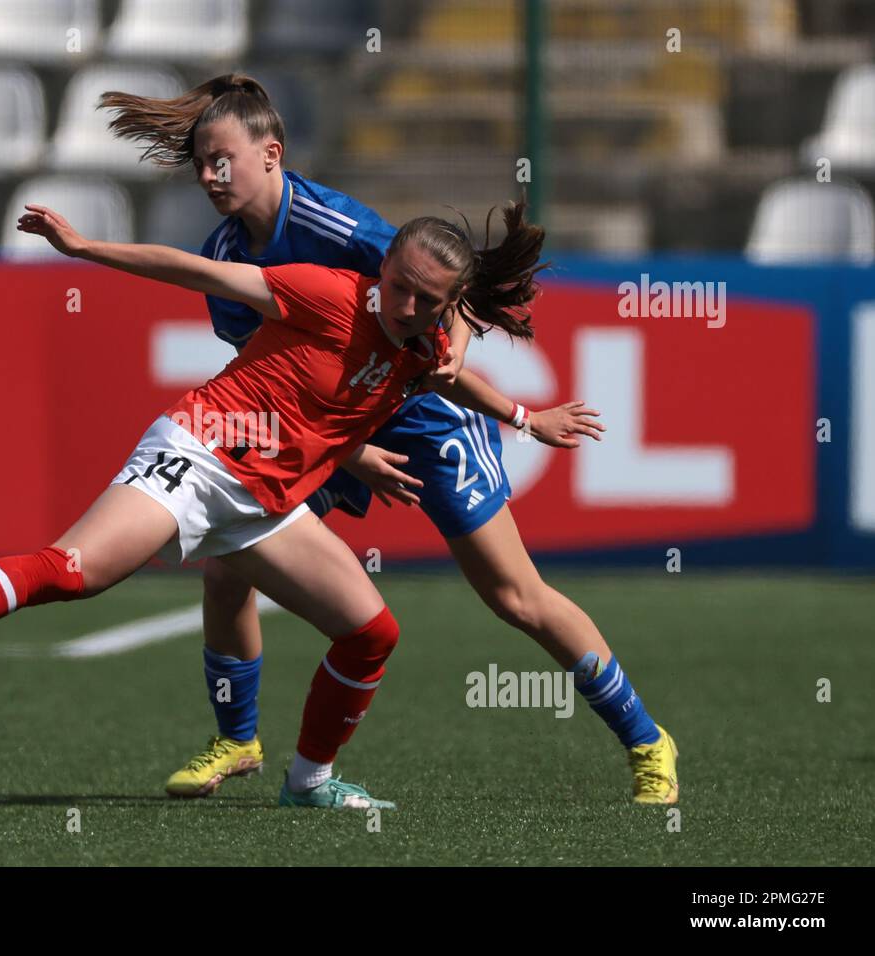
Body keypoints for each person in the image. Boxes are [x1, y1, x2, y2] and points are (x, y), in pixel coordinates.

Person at [0, 195, 593, 809]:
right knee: (74, 572)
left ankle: (309, 784)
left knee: (372, 635)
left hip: (266, 503)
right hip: (199, 454)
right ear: (381, 268)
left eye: (428, 300)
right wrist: (85, 249)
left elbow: (451, 371)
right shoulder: (329, 294)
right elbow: (196, 272)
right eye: (399, 286)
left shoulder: (429, 342)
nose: (407, 305)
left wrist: (525, 418)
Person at [100, 73, 678, 805]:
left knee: (515, 596)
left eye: (226, 160)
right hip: (336, 422)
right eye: (203, 163)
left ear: (270, 155)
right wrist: (350, 452)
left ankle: (648, 742)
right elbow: (278, 382)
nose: (212, 176)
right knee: (226, 568)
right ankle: (238, 738)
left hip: (425, 414)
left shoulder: (334, 224)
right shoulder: (225, 261)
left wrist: (459, 354)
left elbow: (448, 278)